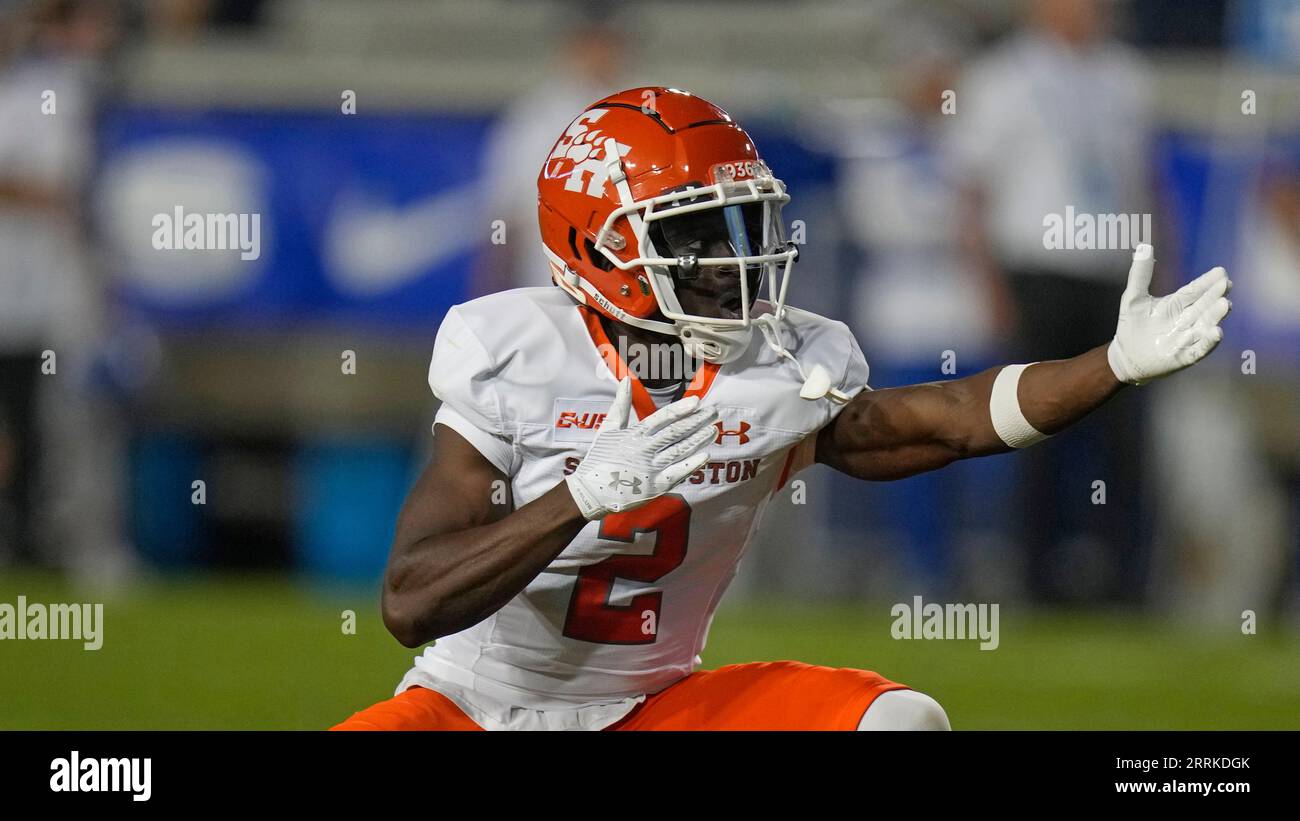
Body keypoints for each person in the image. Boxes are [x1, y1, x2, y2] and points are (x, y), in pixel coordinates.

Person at [335, 88, 1230, 731]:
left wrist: (1110, 363)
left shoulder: (780, 367)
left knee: (900, 721)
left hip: (657, 706)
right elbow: (411, 600)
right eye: (694, 235)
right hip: (471, 706)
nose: (734, 260)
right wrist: (577, 499)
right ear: (596, 248)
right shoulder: (520, 354)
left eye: (740, 227)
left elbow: (951, 415)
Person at [946, 0, 1162, 602]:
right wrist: (988, 287)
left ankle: (1125, 585)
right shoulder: (1001, 77)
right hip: (1039, 274)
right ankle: (1036, 583)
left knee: (1125, 441)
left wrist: (1163, 266)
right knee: (1033, 430)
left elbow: (1142, 180)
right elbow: (972, 190)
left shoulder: (1125, 75)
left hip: (1113, 276)